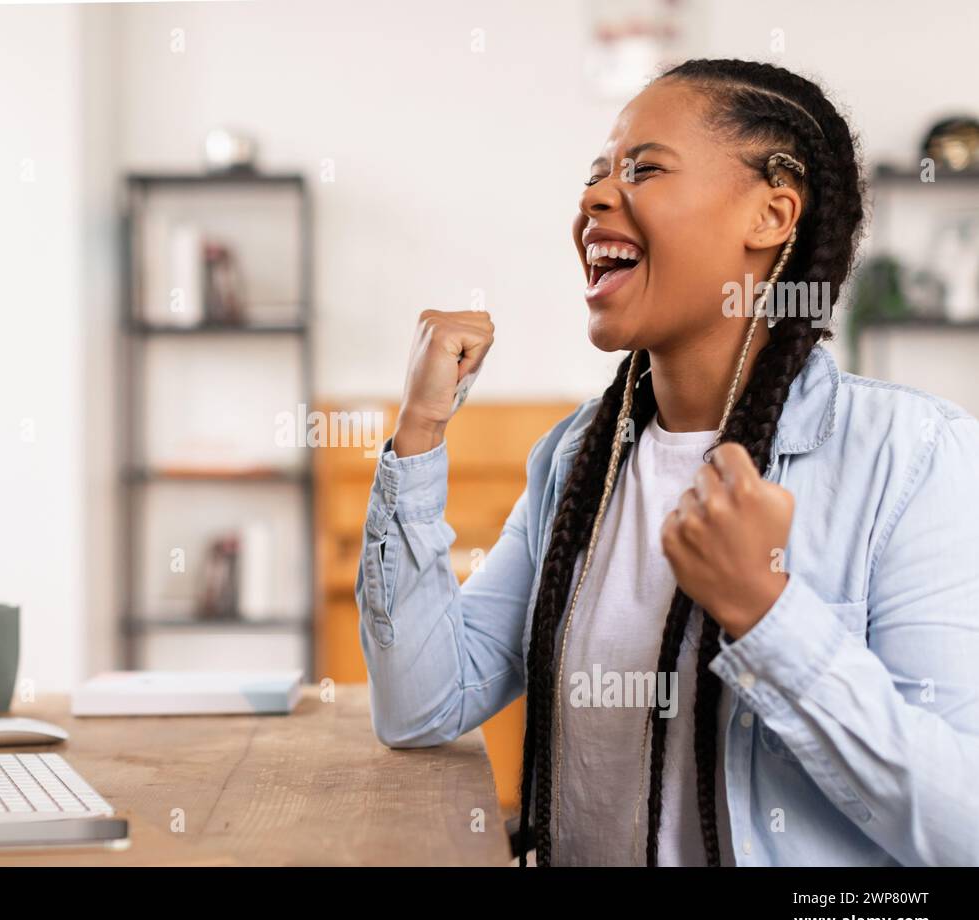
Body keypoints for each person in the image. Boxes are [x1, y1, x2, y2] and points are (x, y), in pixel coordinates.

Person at [355, 58, 979, 866]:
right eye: (596, 178)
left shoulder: (912, 457)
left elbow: (961, 827)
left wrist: (766, 614)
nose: (593, 199)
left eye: (644, 169)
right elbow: (421, 704)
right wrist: (419, 429)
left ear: (771, 213)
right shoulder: (577, 459)